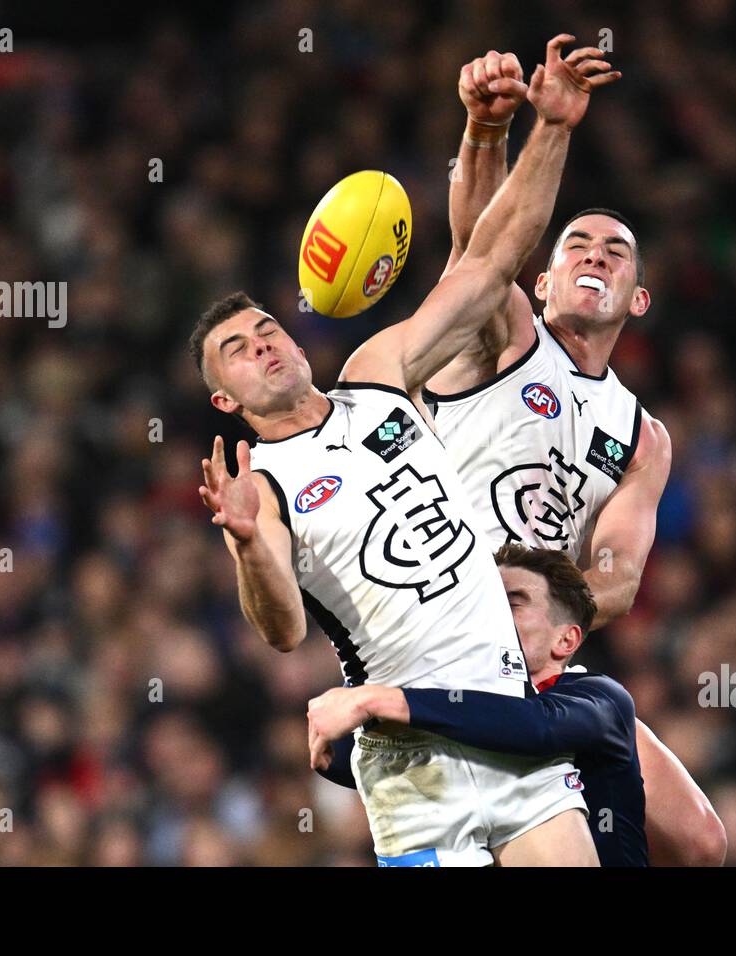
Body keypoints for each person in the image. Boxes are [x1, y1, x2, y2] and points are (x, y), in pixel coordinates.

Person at [192, 35, 619, 867]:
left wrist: (551, 126)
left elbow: (492, 262)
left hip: (505, 710)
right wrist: (246, 545)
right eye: (239, 350)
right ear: (226, 400)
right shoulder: (265, 487)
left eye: (269, 328)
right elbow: (281, 629)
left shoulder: (378, 376)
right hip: (408, 754)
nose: (265, 346)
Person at [421, 49, 725, 866]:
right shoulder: (507, 335)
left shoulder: (643, 436)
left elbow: (620, 576)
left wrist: (543, 612)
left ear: (640, 298)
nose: (595, 254)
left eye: (616, 250)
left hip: (544, 649)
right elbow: (481, 243)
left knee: (698, 843)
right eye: (576, 246)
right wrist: (489, 128)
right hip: (444, 630)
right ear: (545, 282)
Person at [309, 543, 649, 865]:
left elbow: (534, 726)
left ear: (565, 639)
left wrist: (379, 699)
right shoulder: (460, 711)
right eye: (484, 604)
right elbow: (343, 761)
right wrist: (360, 694)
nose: (490, 617)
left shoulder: (602, 699)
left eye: (513, 603)